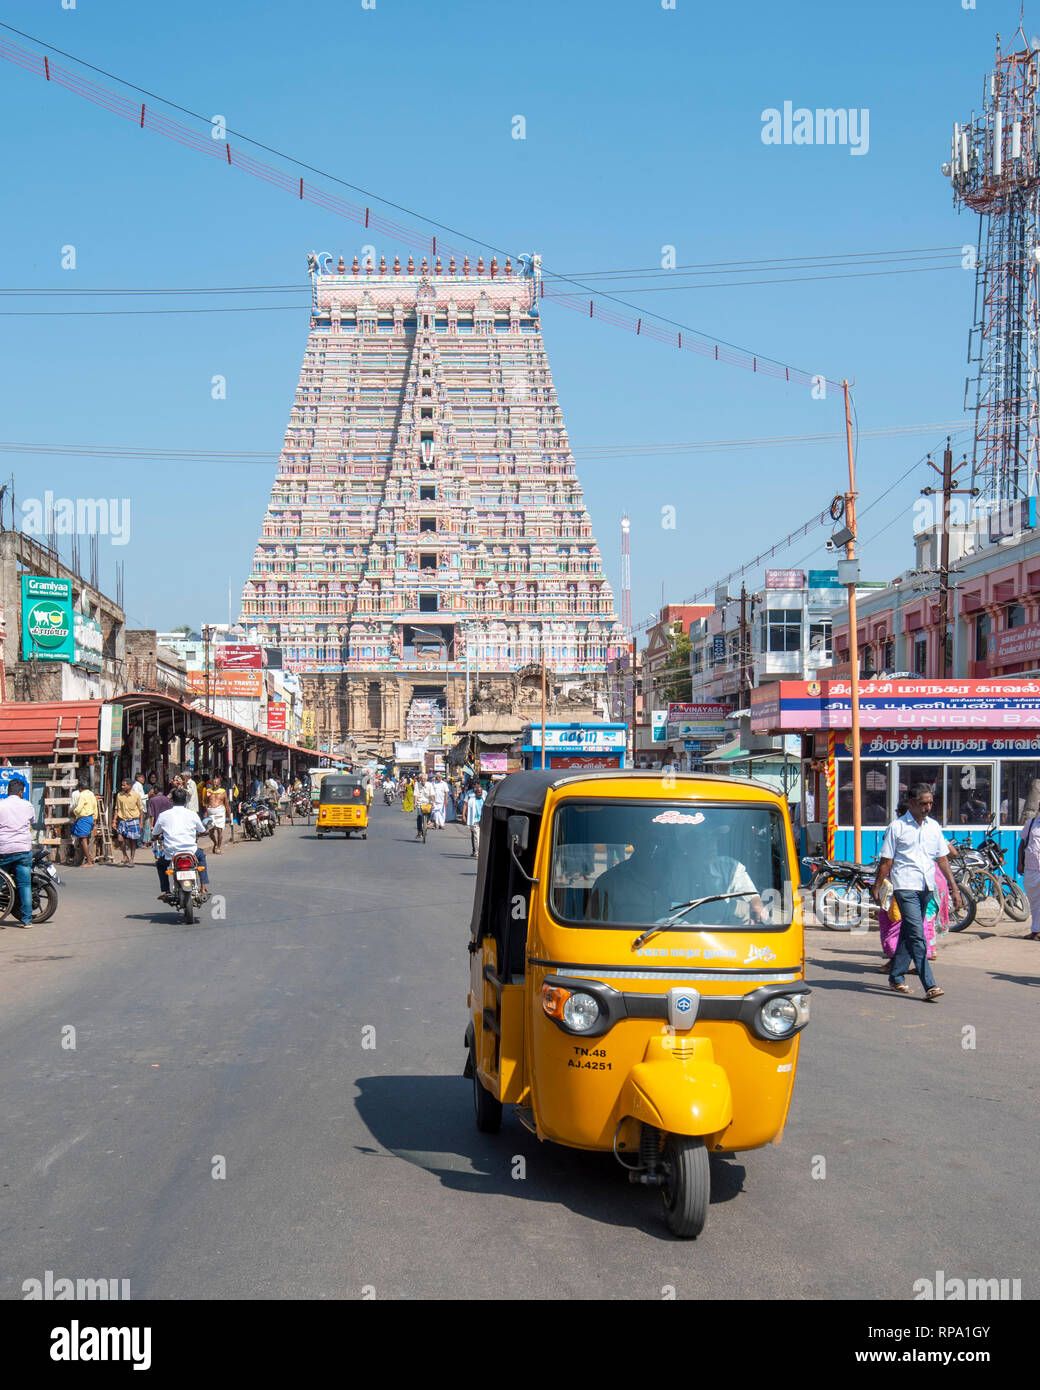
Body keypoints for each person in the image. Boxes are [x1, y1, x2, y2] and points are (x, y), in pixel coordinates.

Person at [874, 783, 962, 1000]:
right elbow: (886, 861)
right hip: (905, 886)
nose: (928, 807)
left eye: (931, 803)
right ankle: (929, 984)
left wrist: (955, 888)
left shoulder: (934, 827)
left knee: (908, 931)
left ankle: (896, 977)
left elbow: (942, 859)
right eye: (923, 803)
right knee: (917, 934)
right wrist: (876, 886)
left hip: (926, 887)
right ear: (912, 803)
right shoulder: (897, 827)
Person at [152, 788, 210, 899]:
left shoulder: (163, 815)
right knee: (202, 857)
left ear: (172, 800)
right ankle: (203, 887)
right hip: (191, 851)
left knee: (160, 864)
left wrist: (155, 837)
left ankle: (166, 891)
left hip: (171, 853)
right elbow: (202, 831)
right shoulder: (192, 814)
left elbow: (155, 833)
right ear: (185, 800)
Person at [0, 778, 36, 926]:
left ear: (8, 792)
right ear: (21, 792)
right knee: (25, 885)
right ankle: (27, 920)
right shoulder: (28, 805)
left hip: (4, 850)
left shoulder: (1, 805)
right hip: (23, 849)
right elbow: (32, 821)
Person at [112, 779, 145, 866]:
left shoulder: (136, 795)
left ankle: (131, 859)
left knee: (132, 841)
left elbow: (141, 810)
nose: (122, 787)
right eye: (122, 785)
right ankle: (125, 856)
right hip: (122, 820)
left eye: (124, 785)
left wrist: (141, 823)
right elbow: (117, 808)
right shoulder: (119, 795)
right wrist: (114, 821)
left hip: (133, 820)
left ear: (129, 786)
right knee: (120, 839)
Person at [1018, 810, 1040, 940]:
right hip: (1031, 869)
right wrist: (1020, 863)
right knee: (1034, 900)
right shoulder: (1031, 823)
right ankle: (1036, 930)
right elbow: (1022, 843)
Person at [70, 780, 98, 866]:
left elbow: (79, 808)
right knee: (83, 839)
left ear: (80, 788)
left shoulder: (82, 795)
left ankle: (89, 861)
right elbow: (95, 807)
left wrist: (73, 812)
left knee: (83, 840)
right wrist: (94, 818)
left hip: (83, 818)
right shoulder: (91, 794)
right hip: (90, 818)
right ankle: (89, 857)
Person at [204, 774, 231, 853]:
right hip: (211, 812)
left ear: (219, 784)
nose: (214, 784)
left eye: (216, 783)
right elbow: (205, 802)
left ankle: (218, 847)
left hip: (220, 812)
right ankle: (215, 843)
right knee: (211, 832)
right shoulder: (209, 791)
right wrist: (207, 796)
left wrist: (229, 816)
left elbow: (226, 804)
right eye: (213, 783)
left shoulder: (223, 792)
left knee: (219, 830)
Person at [463, 782, 486, 858]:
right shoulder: (471, 798)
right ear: (475, 793)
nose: (480, 794)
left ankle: (480, 851)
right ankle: (476, 852)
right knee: (476, 836)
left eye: (481, 792)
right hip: (475, 820)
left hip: (483, 820)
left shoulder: (484, 796)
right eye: (478, 792)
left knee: (482, 837)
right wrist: (463, 815)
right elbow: (465, 804)